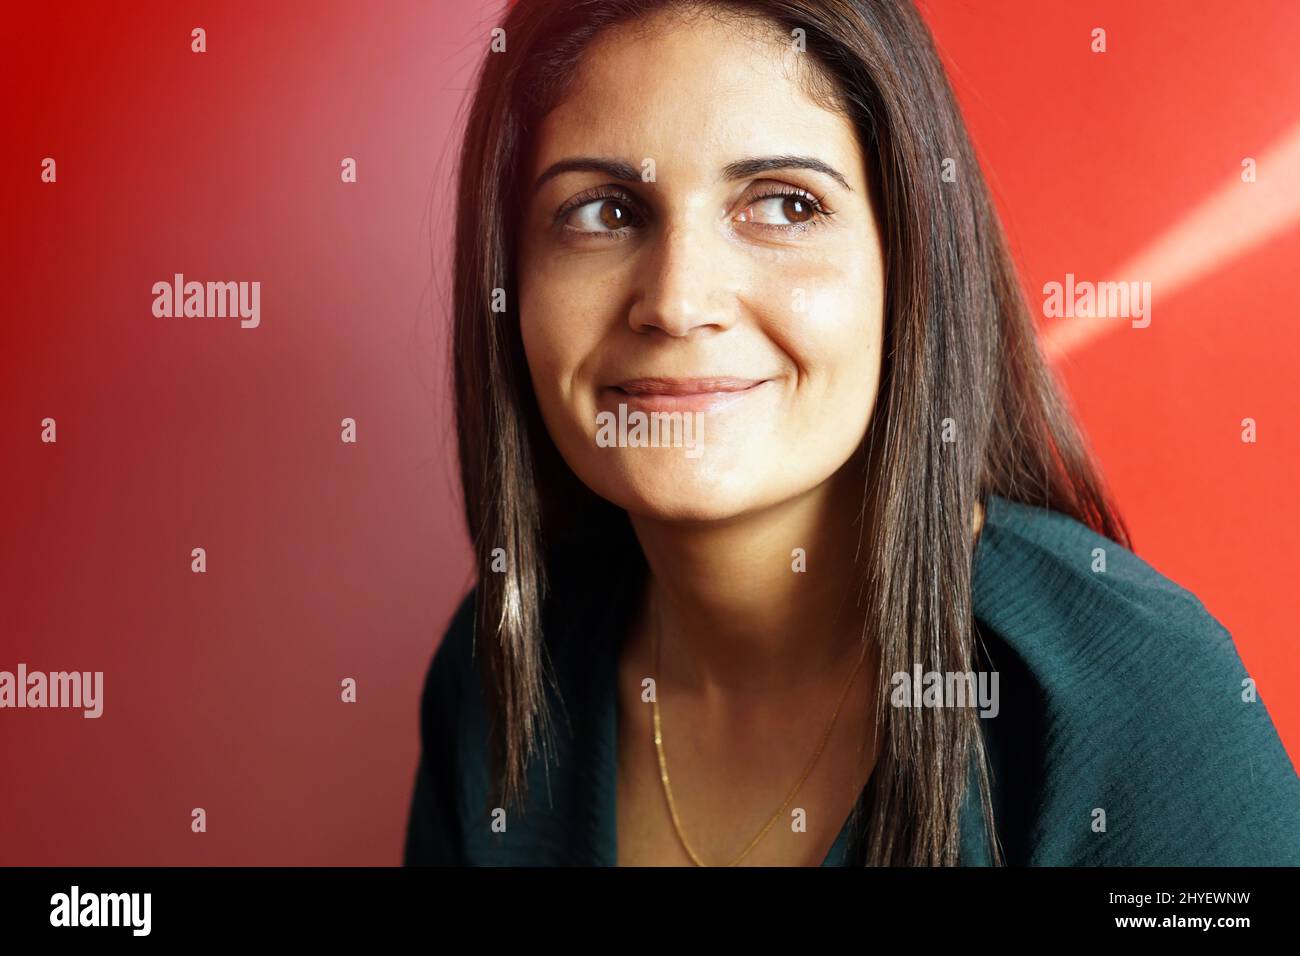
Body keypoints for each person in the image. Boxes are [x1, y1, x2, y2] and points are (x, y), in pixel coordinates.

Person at [404, 0, 1300, 866]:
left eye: (784, 205)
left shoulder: (1141, 709)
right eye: (603, 210)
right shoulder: (501, 662)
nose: (677, 301)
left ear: (907, 258)